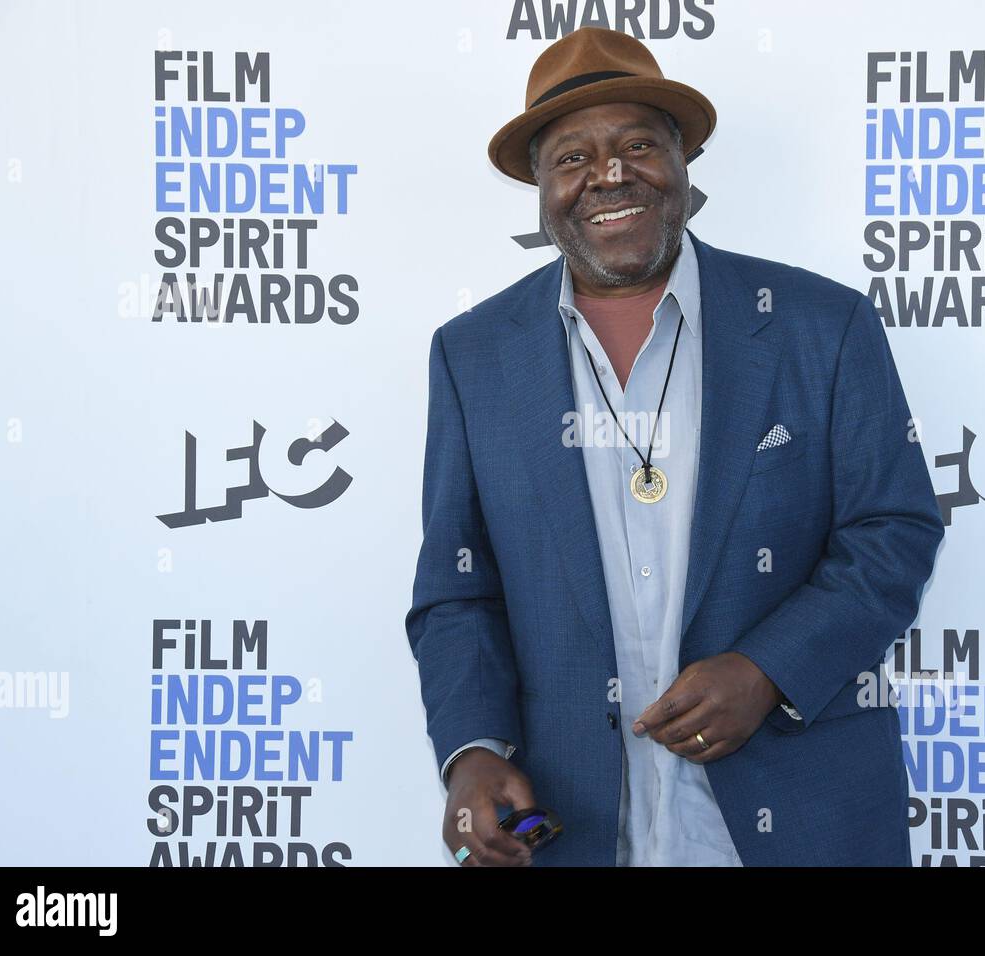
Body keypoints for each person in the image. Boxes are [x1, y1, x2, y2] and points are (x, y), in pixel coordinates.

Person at [405, 26, 945, 867]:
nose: (609, 175)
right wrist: (474, 750)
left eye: (637, 146)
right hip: (570, 824)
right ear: (542, 190)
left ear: (683, 164)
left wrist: (768, 671)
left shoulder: (821, 325)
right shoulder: (472, 355)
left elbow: (894, 530)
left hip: (798, 815)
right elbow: (458, 591)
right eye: (573, 158)